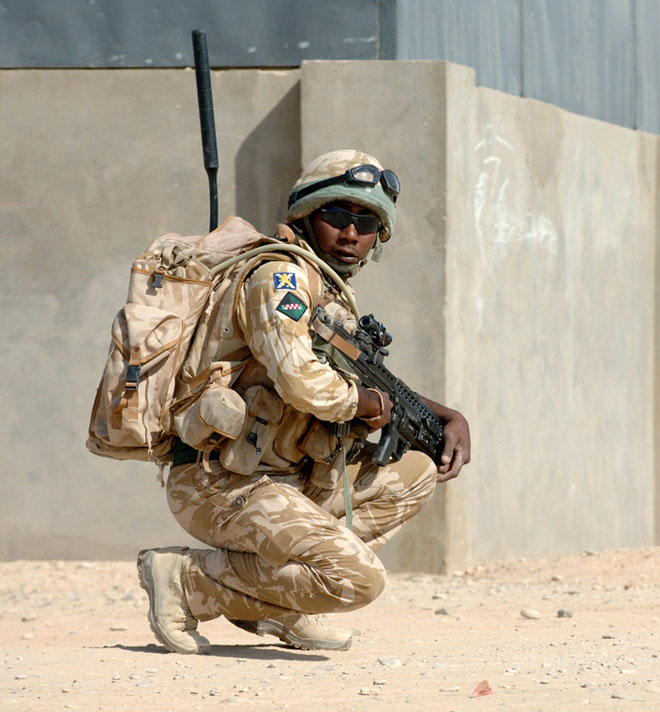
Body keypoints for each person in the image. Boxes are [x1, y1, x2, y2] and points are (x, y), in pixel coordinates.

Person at [136, 149, 471, 654]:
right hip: (220, 483)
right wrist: (363, 405)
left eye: (367, 223)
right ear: (307, 216)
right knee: (357, 580)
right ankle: (186, 579)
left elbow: (359, 379)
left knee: (416, 473)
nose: (351, 233)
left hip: (288, 479)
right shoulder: (281, 278)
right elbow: (300, 380)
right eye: (337, 216)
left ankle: (281, 605)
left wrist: (442, 414)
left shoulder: (328, 295)